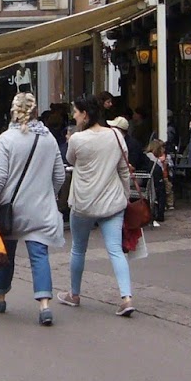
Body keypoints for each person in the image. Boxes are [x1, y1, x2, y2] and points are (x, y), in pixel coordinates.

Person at [0, 93, 67, 326]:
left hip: (11, 210)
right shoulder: (48, 138)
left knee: (6, 255)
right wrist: (49, 194)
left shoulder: (6, 139)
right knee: (39, 255)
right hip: (40, 209)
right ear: (35, 111)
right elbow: (60, 175)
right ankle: (44, 305)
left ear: (13, 111)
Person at [57, 94, 135, 317]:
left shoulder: (77, 140)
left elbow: (70, 160)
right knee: (115, 250)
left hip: (84, 201)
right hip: (112, 200)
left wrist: (73, 138)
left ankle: (74, 293)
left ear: (85, 114)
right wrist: (126, 195)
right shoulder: (116, 136)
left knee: (78, 249)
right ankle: (126, 297)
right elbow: (123, 169)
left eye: (76, 112)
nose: (73, 115)